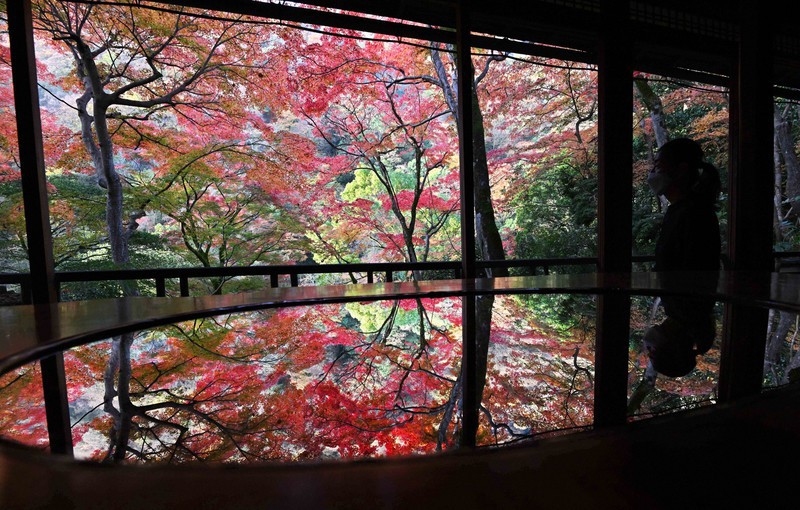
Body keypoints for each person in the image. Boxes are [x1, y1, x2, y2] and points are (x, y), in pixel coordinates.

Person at [644, 138, 722, 377]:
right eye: (653, 352)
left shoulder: (691, 213)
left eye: (658, 165)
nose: (653, 172)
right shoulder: (688, 210)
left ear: (682, 169)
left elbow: (692, 270)